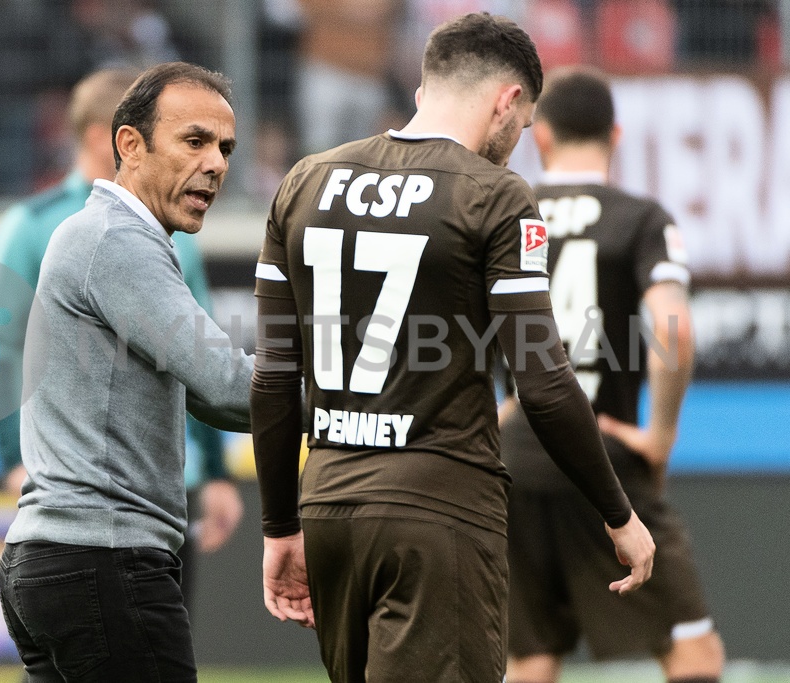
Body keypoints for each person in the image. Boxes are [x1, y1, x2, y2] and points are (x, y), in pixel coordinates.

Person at [250, 13, 655, 682]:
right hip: (438, 516)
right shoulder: (495, 196)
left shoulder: (305, 182)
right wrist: (619, 514)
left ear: (423, 91)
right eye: (521, 130)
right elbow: (545, 385)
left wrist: (278, 526)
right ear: (508, 101)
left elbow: (271, 377)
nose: (515, 145)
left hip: (328, 508)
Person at [0, 61, 253, 682]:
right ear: (128, 145)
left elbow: (212, 400)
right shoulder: (117, 240)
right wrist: (362, 397)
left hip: (58, 559)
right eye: (194, 141)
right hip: (103, 561)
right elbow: (229, 385)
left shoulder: (115, 237)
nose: (216, 162)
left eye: (225, 147)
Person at [499, 68, 725, 683]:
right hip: (606, 457)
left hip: (515, 456)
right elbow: (673, 330)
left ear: (539, 137)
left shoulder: (506, 211)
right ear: (616, 136)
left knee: (532, 658)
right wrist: (661, 435)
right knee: (694, 658)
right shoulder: (642, 218)